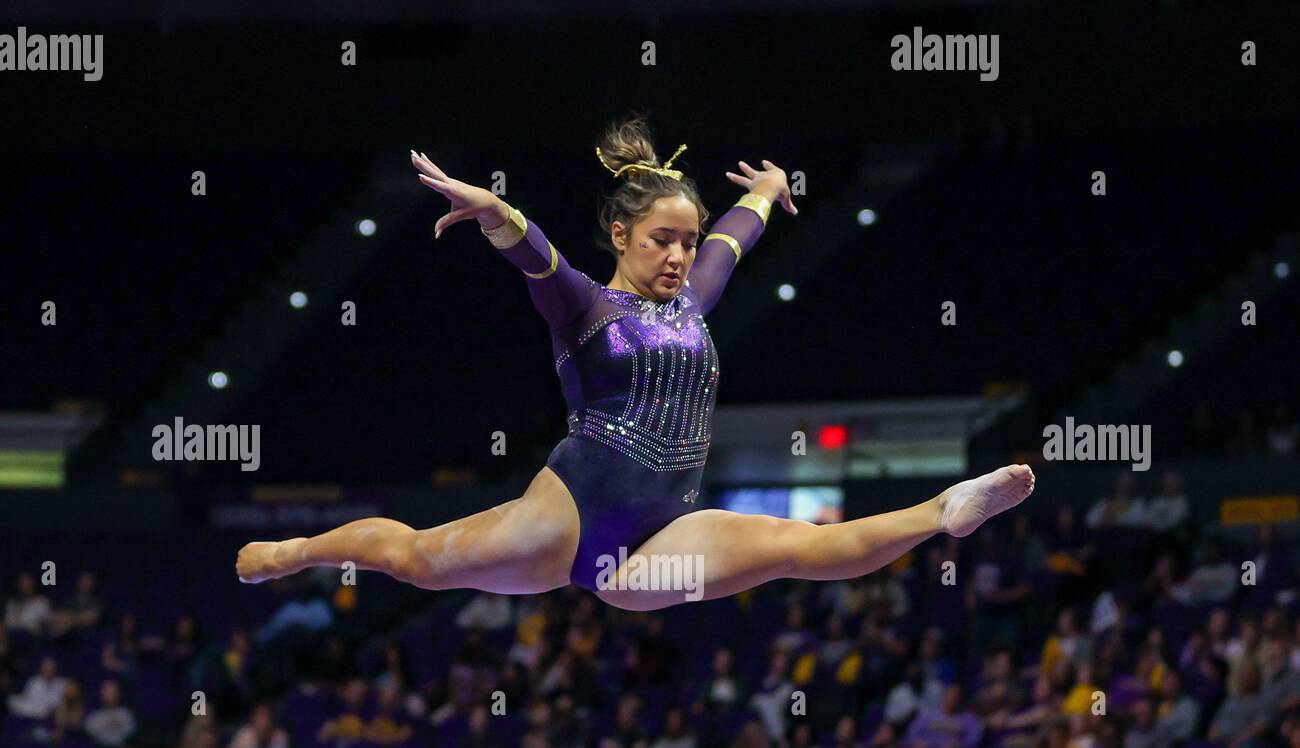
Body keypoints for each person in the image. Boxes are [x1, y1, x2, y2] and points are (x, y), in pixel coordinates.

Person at [235, 115, 1034, 607]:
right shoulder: (587, 307)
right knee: (413, 560)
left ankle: (944, 511)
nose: (682, 256)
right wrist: (497, 212)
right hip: (569, 517)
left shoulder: (692, 305)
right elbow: (537, 259)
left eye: (686, 241)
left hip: (649, 553)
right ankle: (301, 552)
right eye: (662, 240)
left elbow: (733, 239)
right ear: (621, 237)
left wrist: (767, 191)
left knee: (799, 548)